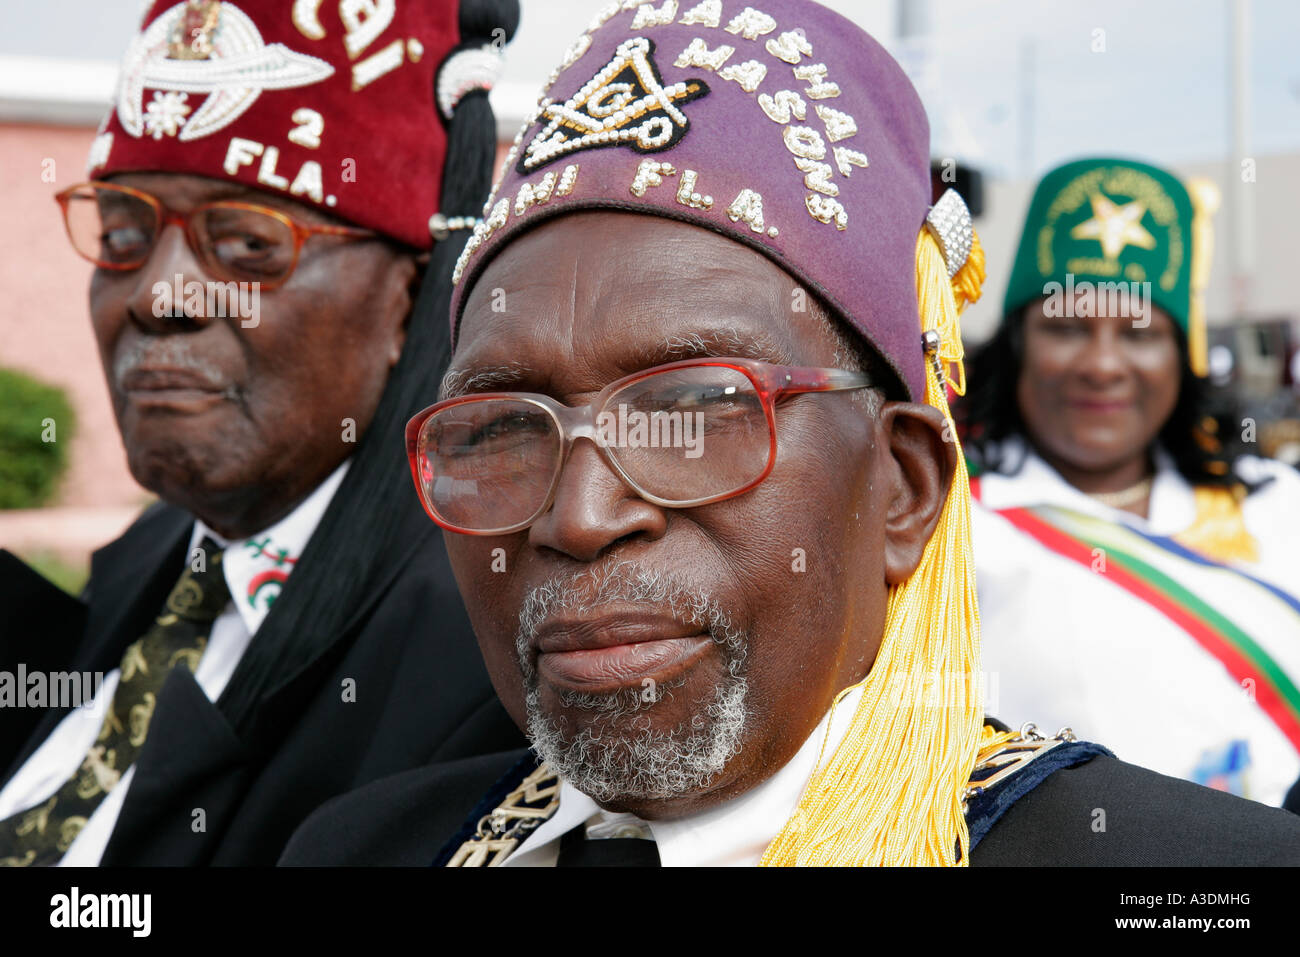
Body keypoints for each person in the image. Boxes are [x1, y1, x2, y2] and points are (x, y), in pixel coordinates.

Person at [280, 0, 1300, 866]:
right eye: (501, 427)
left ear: (901, 487)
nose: (581, 518)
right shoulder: (357, 847)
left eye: (690, 413)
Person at [0, 0, 526, 866]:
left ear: (411, 295)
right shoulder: (155, 554)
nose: (156, 294)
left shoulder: (478, 674)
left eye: (246, 245)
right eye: (124, 233)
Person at [959, 157, 1300, 810]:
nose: (1103, 365)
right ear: (1017, 346)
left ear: (1184, 354)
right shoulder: (951, 524)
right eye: (1065, 328)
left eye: (1138, 332)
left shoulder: (1278, 499)